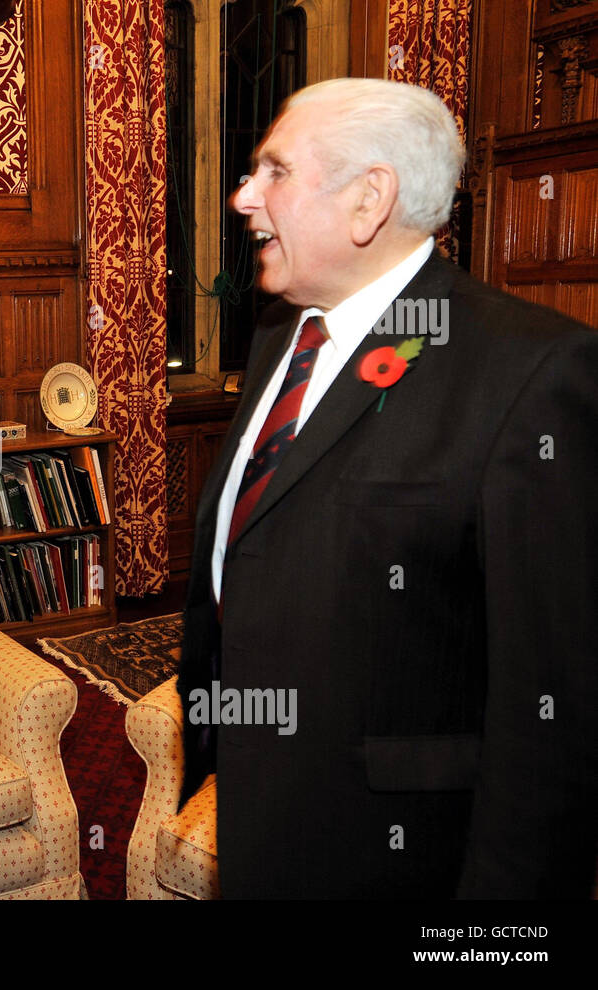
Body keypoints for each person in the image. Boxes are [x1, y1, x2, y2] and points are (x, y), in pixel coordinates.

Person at [175, 78, 598, 898]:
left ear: (371, 198)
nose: (241, 197)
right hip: (261, 806)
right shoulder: (278, 333)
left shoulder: (531, 373)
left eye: (275, 173)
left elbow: (553, 711)